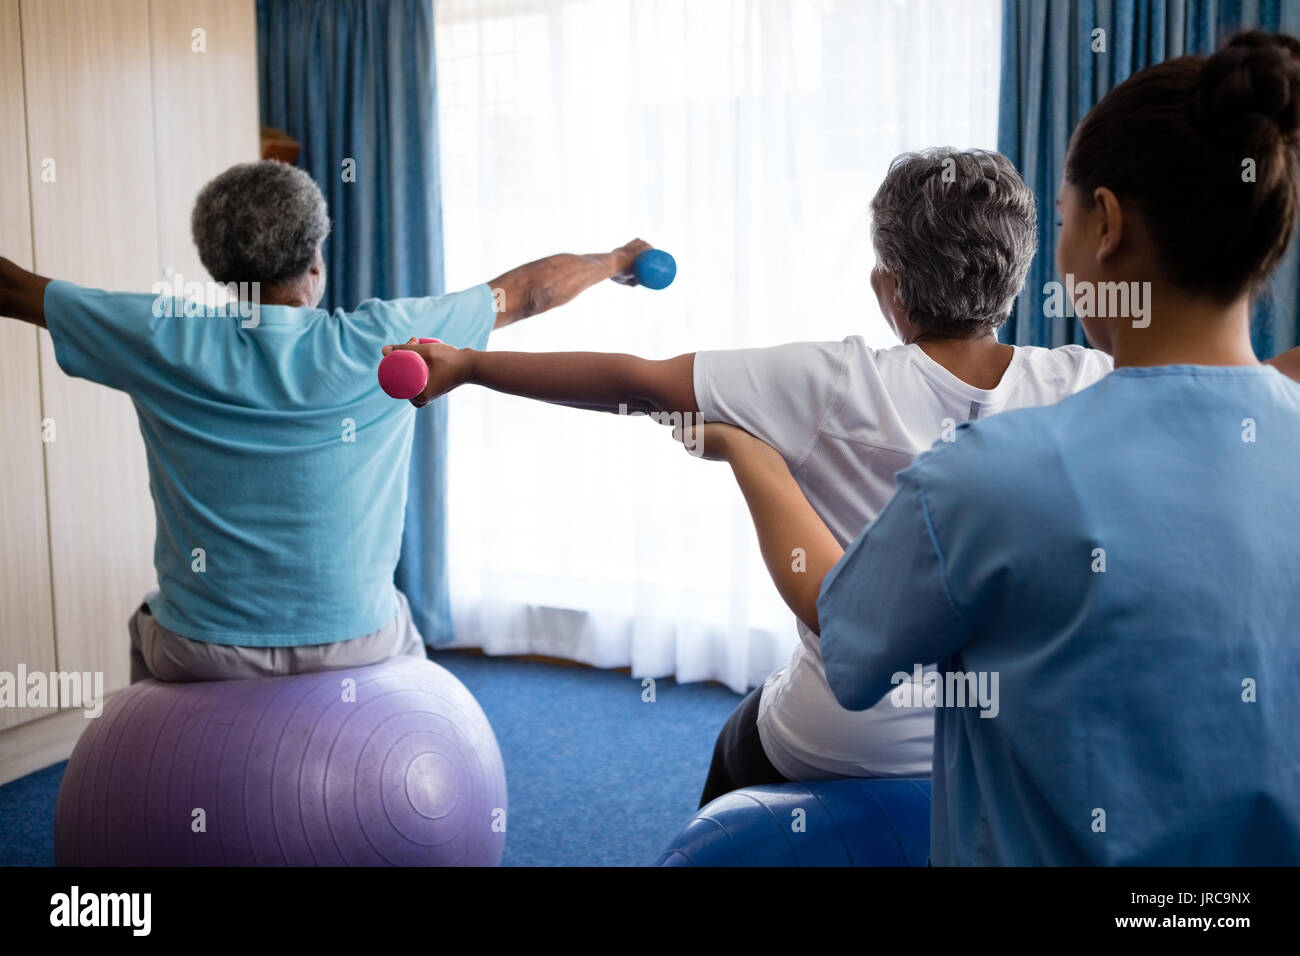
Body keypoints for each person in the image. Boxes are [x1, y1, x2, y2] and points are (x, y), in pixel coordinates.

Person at [681, 30, 1300, 864]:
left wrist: (748, 453)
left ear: (1105, 225)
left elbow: (848, 636)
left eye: (1064, 215)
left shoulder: (989, 472)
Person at [384, 147, 1122, 805]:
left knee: (740, 737)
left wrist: (470, 366)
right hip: (1011, 739)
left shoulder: (830, 381)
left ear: (888, 286)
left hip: (843, 737)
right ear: (1020, 274)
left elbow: (635, 380)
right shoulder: (1091, 383)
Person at [0, 159, 652, 682]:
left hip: (204, 651)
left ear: (220, 271)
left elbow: (15, 288)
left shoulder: (159, 337)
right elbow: (527, 292)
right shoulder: (388, 342)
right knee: (406, 648)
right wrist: (618, 261)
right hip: (359, 641)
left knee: (147, 624)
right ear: (315, 262)